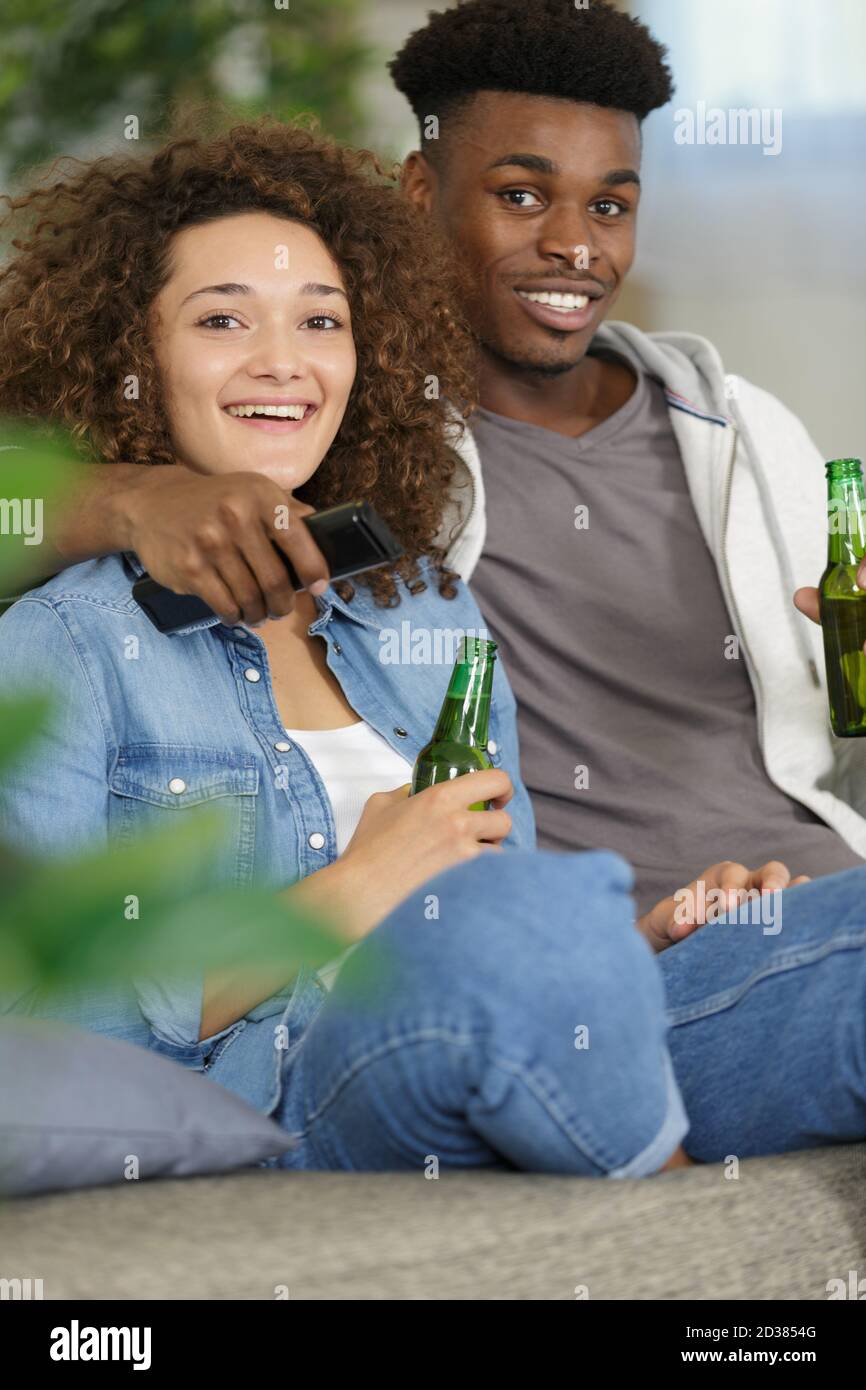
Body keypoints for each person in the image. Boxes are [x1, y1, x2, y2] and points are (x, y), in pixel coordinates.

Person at [0, 118, 708, 1177]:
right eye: (222, 319)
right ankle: (685, 1232)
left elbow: (501, 902)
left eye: (320, 320)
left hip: (478, 1033)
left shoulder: (423, 608)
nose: (283, 362)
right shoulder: (64, 645)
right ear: (131, 355)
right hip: (295, 1100)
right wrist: (360, 884)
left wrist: (632, 947)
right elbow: (42, 1024)